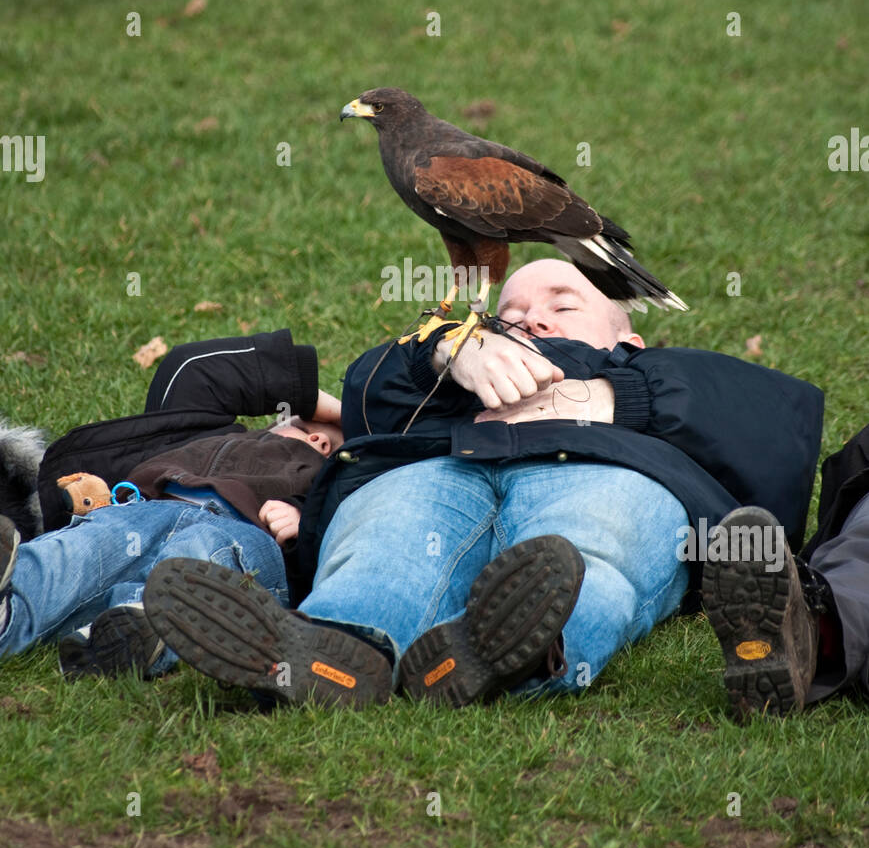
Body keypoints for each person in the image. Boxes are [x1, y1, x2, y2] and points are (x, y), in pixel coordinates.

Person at [143, 259, 836, 718]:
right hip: (429, 467)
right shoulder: (443, 372)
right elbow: (367, 401)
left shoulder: (667, 371)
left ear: (631, 337)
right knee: (385, 548)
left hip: (608, 470)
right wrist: (441, 351)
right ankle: (331, 650)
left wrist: (609, 393)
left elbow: (772, 428)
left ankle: (533, 649)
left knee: (587, 551)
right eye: (510, 309)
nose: (531, 317)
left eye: (562, 303)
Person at [0, 328, 343, 678]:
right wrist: (318, 402)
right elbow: (194, 370)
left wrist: (304, 523)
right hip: (139, 512)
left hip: (240, 533)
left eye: (331, 442)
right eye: (301, 423)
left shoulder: (327, 488)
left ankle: (137, 629)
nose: (315, 436)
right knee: (79, 552)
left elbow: (350, 537)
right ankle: (11, 608)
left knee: (199, 560)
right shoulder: (205, 430)